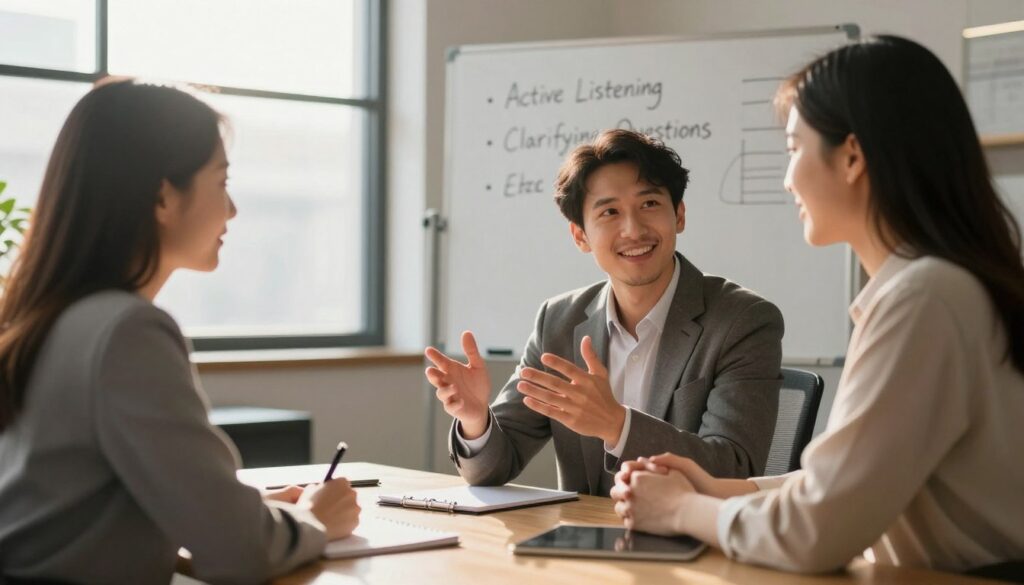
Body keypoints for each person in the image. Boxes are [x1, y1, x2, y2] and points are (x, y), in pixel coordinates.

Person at [611, 35, 1024, 575]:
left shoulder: (924, 299)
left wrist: (685, 509)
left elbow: (815, 532)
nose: (787, 180)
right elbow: (847, 482)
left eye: (792, 150)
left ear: (852, 156)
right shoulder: (943, 286)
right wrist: (721, 488)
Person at [0, 80, 360, 584]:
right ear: (163, 196)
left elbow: (89, 501)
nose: (232, 210)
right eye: (220, 182)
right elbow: (240, 553)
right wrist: (314, 518)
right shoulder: (126, 332)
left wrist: (245, 505)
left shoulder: (44, 318)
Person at [425, 129, 784, 496]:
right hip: (586, 540)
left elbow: (735, 469)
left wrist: (618, 426)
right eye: (610, 212)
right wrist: (475, 420)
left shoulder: (744, 321)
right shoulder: (559, 321)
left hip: (693, 539)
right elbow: (492, 469)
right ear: (580, 236)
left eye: (649, 205)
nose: (633, 229)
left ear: (679, 214)